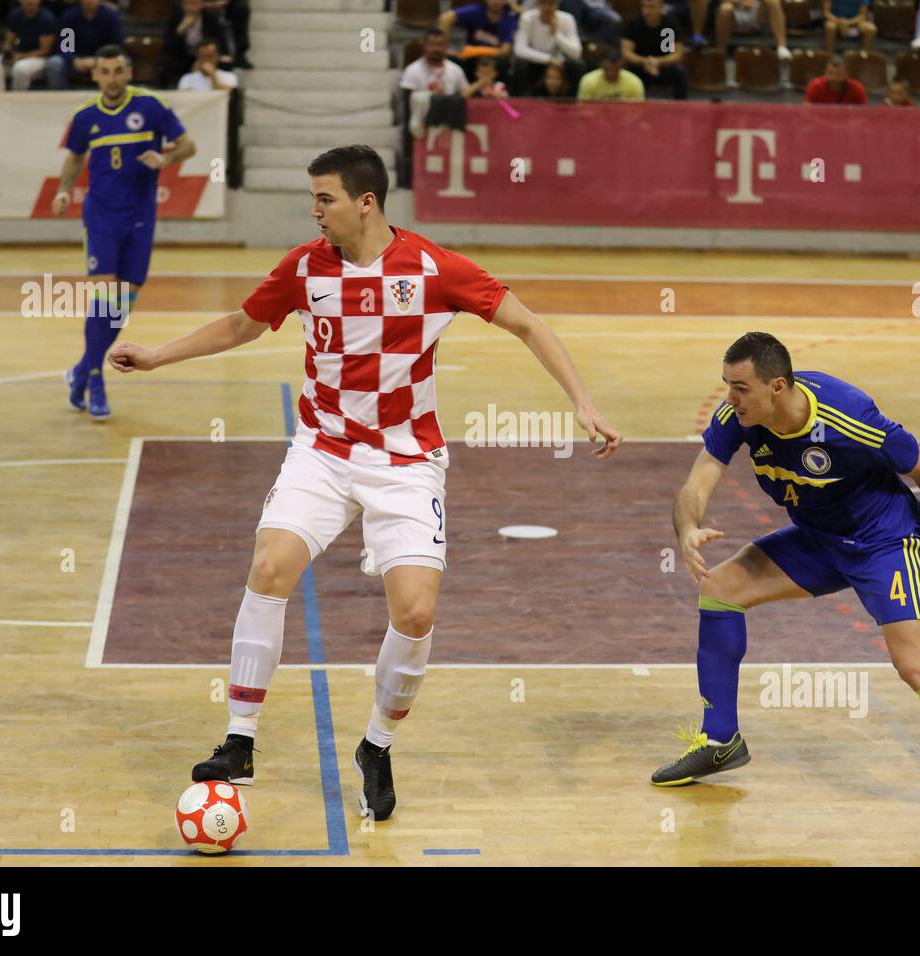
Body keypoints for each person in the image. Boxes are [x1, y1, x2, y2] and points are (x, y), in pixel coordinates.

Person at [105, 145, 622, 823]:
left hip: (406, 463)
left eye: (325, 198)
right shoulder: (302, 267)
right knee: (270, 564)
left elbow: (527, 323)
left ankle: (376, 746)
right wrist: (157, 356)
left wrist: (583, 403)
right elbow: (242, 324)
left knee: (415, 613)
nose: (313, 210)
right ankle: (239, 740)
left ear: (365, 202)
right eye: (313, 198)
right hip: (322, 451)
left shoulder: (436, 269)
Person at [656, 332, 920, 839]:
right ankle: (720, 740)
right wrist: (687, 528)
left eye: (740, 388)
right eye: (726, 386)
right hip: (821, 539)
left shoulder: (848, 415)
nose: (730, 399)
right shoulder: (740, 420)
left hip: (886, 539)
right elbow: (696, 484)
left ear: (777, 386)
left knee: (917, 666)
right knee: (721, 587)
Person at [50, 45, 197, 420]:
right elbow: (74, 157)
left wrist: (165, 159)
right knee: (105, 297)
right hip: (101, 216)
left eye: (118, 71)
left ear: (128, 73)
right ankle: (96, 378)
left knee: (122, 305)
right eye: (105, 72)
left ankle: (80, 371)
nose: (112, 78)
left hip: (140, 216)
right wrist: (64, 189)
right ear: (94, 75)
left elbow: (188, 146)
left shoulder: (150, 106)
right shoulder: (85, 116)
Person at [46, 0, 125, 91]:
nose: (89, 1)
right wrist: (74, 59)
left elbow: (116, 45)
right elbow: (64, 46)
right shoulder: (69, 16)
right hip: (75, 60)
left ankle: (112, 97)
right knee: (54, 63)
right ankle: (59, 96)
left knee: (121, 61)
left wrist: (98, 59)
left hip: (102, 59)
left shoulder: (111, 17)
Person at [622, 0, 689, 100]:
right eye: (644, 7)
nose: (646, 11)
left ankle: (681, 105)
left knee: (679, 71)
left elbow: (677, 54)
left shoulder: (670, 25)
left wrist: (658, 62)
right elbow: (626, 52)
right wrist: (644, 61)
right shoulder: (634, 24)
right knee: (627, 71)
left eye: (651, 7)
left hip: (663, 66)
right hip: (640, 66)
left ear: (661, 8)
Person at [513, 0, 582, 96]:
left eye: (551, 4)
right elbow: (519, 50)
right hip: (535, 62)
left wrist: (556, 33)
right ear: (537, 5)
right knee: (519, 62)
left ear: (557, 5)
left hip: (558, 63)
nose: (547, 8)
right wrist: (548, 59)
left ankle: (570, 102)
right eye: (543, 3)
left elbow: (576, 52)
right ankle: (523, 100)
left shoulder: (567, 19)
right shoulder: (527, 18)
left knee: (577, 65)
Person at [3, 0, 57, 91]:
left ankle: (17, 101)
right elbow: (8, 42)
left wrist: (21, 56)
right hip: (18, 54)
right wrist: (7, 53)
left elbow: (45, 51)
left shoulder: (46, 18)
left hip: (41, 59)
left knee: (20, 69)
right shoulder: (15, 14)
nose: (29, 1)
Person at [577, 45, 645, 100]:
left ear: (621, 66)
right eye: (607, 69)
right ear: (601, 65)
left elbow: (638, 111)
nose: (611, 73)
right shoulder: (588, 81)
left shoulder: (634, 82)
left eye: (616, 69)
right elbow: (584, 110)